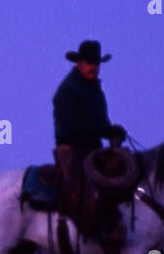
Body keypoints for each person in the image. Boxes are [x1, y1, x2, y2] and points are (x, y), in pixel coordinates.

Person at [52, 40, 128, 224]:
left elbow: (101, 122)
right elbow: (69, 129)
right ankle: (80, 225)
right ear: (79, 63)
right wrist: (103, 131)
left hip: (92, 148)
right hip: (71, 149)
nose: (94, 67)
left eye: (96, 63)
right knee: (78, 188)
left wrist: (111, 133)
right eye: (89, 63)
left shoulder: (95, 90)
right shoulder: (68, 91)